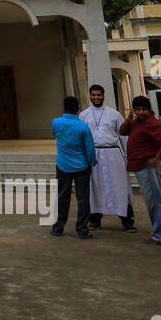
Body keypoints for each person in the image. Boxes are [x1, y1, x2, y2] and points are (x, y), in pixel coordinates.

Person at [120, 96, 161, 245]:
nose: (141, 112)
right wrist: (129, 117)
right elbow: (123, 131)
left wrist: (156, 157)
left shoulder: (151, 123)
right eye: (138, 109)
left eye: (144, 109)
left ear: (149, 109)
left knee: (155, 201)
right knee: (152, 201)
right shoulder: (137, 123)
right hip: (141, 167)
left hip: (149, 167)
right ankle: (160, 230)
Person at [80, 84, 135, 232]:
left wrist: (128, 157)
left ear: (104, 96)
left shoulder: (114, 114)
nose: (96, 97)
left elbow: (123, 136)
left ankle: (127, 220)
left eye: (99, 95)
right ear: (90, 96)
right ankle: (95, 220)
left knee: (120, 186)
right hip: (93, 155)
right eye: (93, 95)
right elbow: (81, 138)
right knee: (95, 187)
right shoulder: (84, 115)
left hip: (113, 155)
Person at [51, 96, 97, 238]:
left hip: (63, 164)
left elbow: (55, 135)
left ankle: (58, 227)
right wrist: (92, 162)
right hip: (81, 166)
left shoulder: (56, 123)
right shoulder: (83, 126)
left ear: (63, 107)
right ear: (78, 109)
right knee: (82, 198)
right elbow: (89, 148)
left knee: (62, 196)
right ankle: (82, 229)